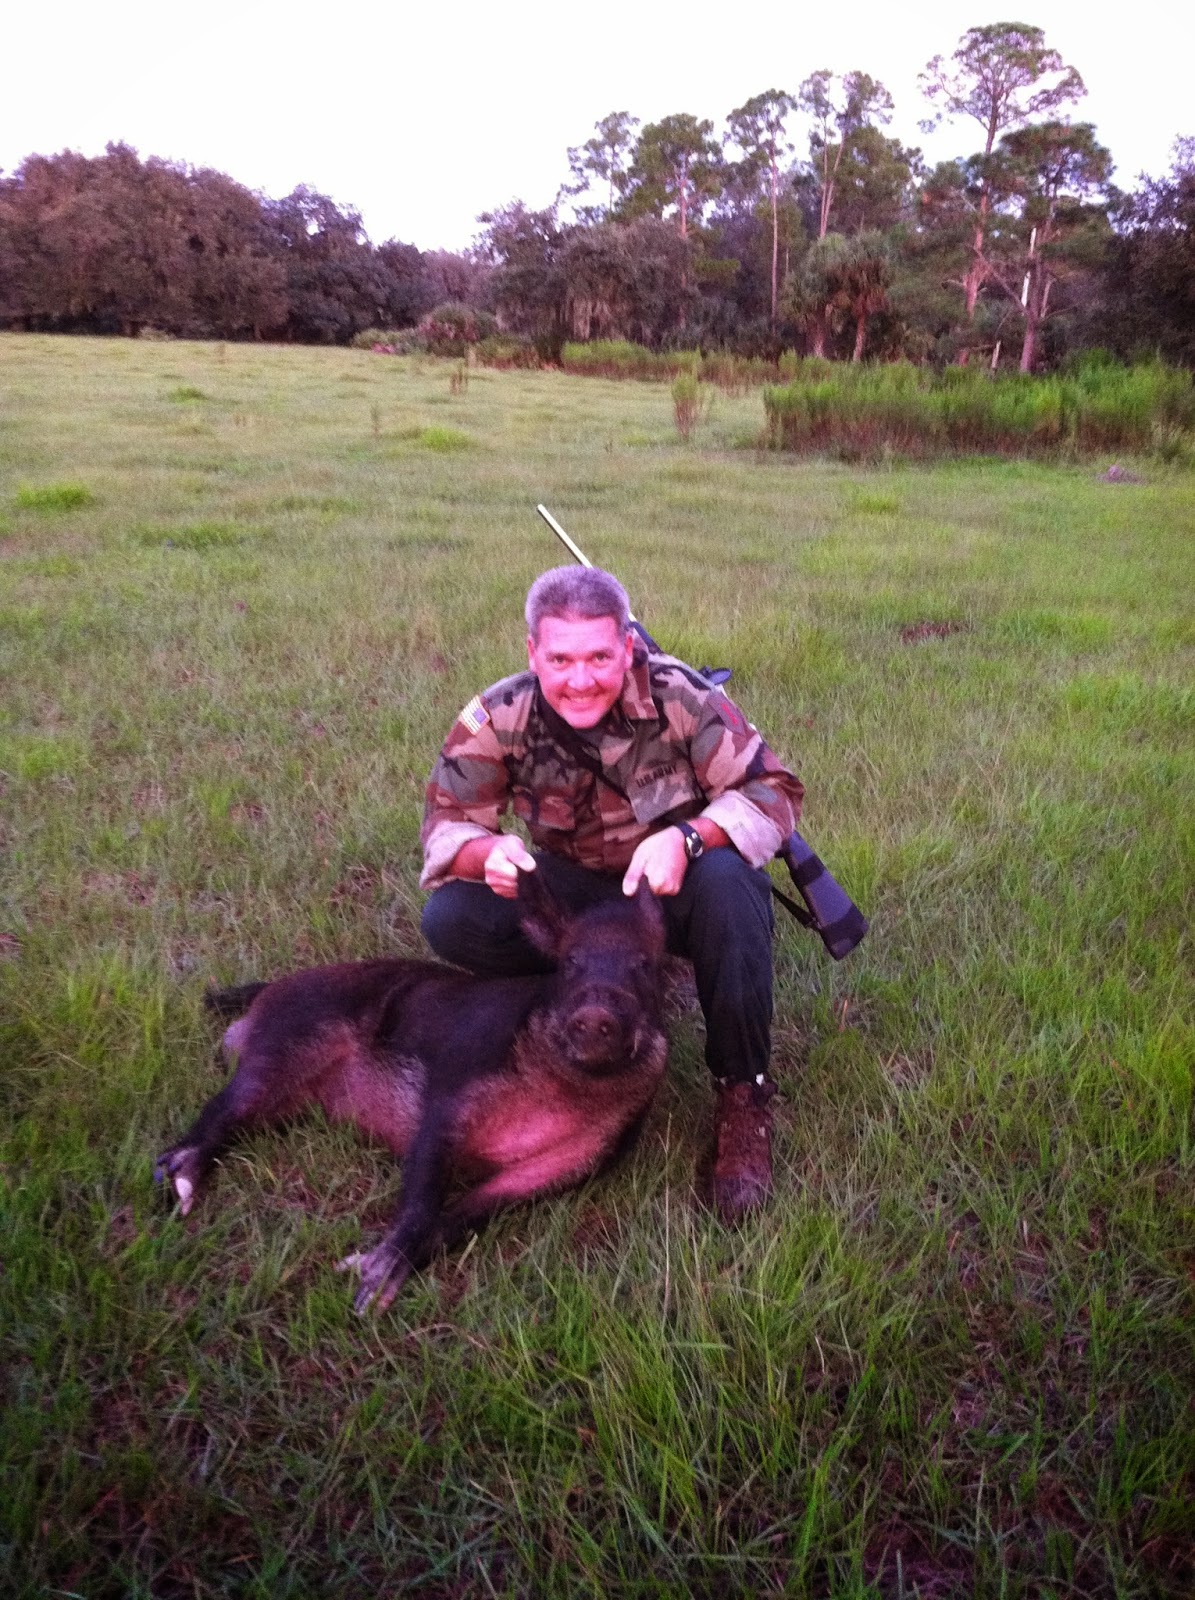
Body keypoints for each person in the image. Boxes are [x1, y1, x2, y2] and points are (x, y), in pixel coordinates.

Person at [419, 565, 804, 1221]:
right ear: (532, 652)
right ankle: (583, 999)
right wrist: (491, 853)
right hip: (576, 895)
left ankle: (743, 1092)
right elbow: (447, 823)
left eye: (599, 656)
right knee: (453, 916)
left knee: (732, 884)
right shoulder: (500, 714)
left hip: (669, 886)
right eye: (560, 658)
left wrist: (688, 838)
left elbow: (772, 794)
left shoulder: (682, 696)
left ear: (626, 648)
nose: (580, 678)